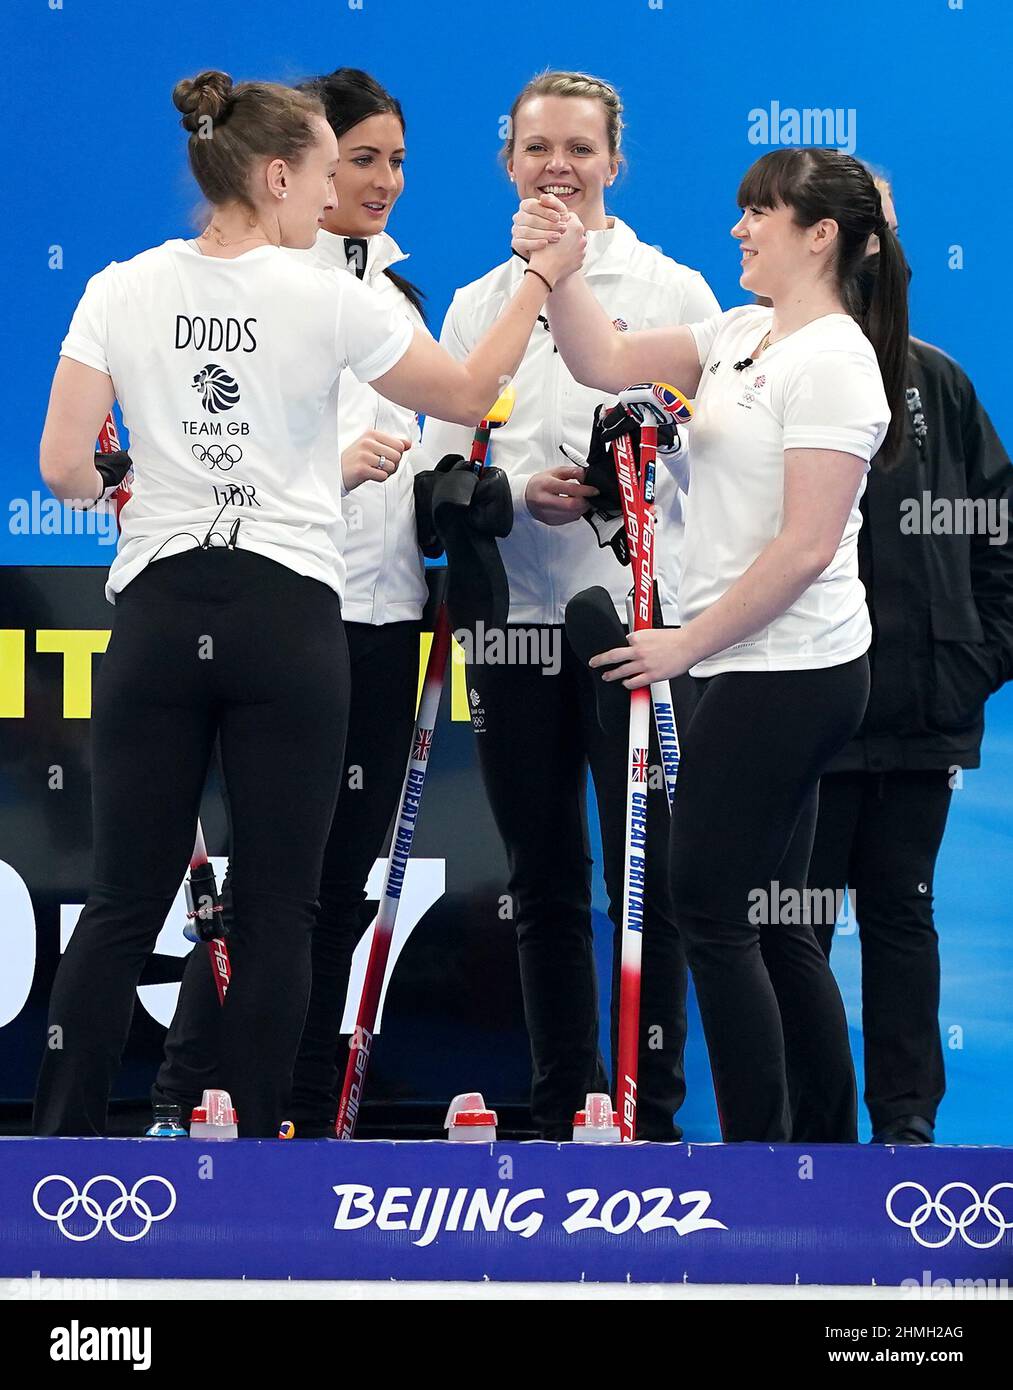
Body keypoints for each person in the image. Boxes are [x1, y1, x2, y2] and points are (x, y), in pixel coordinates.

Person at [33, 68, 582, 1138]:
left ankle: (53, 1160)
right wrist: (535, 276)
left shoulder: (119, 285)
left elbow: (61, 466)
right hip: (284, 617)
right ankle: (246, 1154)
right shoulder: (335, 295)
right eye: (331, 172)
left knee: (119, 903)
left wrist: (127, 486)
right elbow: (471, 395)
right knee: (282, 903)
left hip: (156, 608)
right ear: (278, 176)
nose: (341, 193)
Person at [516, 145, 910, 1142]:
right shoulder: (739, 333)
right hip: (734, 663)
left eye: (758, 214)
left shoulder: (834, 361)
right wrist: (556, 271)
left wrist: (678, 644)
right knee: (771, 925)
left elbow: (806, 547)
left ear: (818, 235)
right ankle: (818, 1154)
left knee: (705, 903)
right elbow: (599, 357)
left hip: (790, 671)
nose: (737, 229)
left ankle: (756, 1166)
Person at [423, 70, 720, 1142]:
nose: (557, 167)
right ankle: (563, 1103)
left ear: (613, 162)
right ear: (507, 160)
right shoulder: (469, 305)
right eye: (537, 147)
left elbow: (715, 462)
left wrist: (620, 487)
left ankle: (648, 1111)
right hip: (509, 628)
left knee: (649, 873)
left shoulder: (677, 290)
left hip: (635, 627)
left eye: (578, 149)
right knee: (540, 878)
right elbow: (436, 469)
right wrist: (508, 493)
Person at [149, 67, 434, 1139]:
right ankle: (187, 1101)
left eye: (396, 162)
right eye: (357, 159)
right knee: (256, 890)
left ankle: (300, 1118)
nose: (378, 182)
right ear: (294, 169)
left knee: (332, 895)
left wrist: (453, 494)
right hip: (274, 613)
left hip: (381, 616)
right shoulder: (246, 283)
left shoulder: (398, 297)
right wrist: (331, 467)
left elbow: (443, 418)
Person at [806, 177, 1013, 1144]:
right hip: (801, 715)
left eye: (885, 218)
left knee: (901, 922)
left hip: (918, 721)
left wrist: (965, 664)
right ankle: (801, 1141)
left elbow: (998, 540)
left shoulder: (940, 383)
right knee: (788, 933)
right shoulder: (760, 368)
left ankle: (904, 1134)